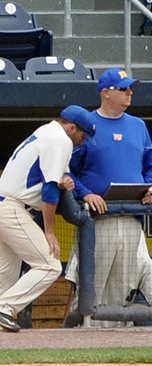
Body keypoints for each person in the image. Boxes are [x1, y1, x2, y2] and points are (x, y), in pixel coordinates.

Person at [66, 68, 152, 327]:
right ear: (106, 93)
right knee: (90, 284)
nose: (129, 92)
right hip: (97, 220)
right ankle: (80, 335)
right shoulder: (86, 123)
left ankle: (118, 340)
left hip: (132, 216)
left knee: (124, 286)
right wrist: (85, 193)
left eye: (131, 88)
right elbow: (66, 170)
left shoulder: (138, 125)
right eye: (123, 88)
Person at [0, 106, 95, 332]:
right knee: (49, 265)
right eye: (83, 134)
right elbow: (50, 189)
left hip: (7, 204)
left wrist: (66, 180)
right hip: (12, 208)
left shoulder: (47, 132)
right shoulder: (59, 140)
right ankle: (5, 307)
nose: (84, 140)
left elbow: (59, 176)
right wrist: (49, 231)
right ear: (72, 127)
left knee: (6, 275)